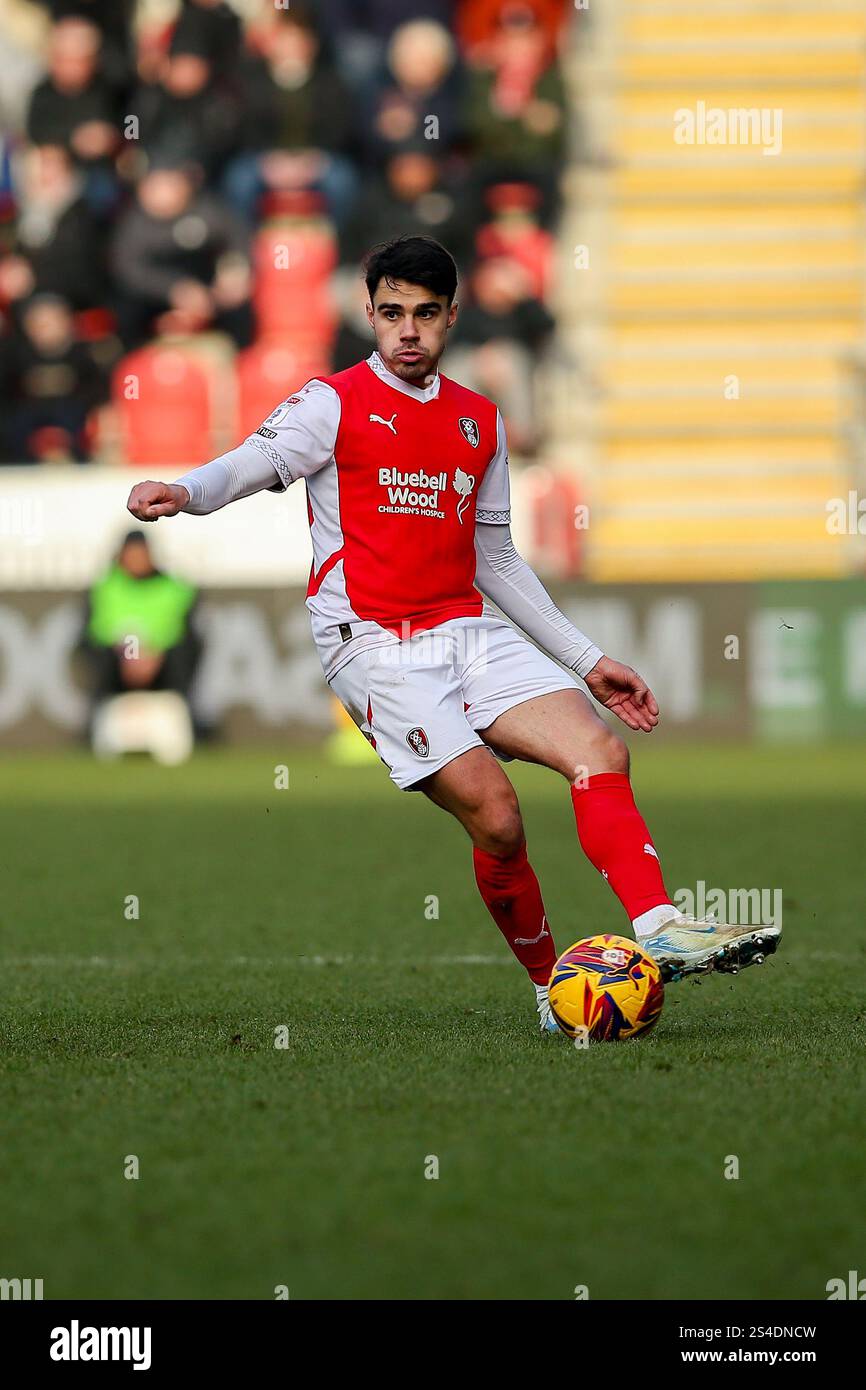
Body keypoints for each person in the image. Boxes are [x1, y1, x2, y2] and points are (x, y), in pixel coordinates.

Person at [126, 235, 780, 1030]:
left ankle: (659, 926)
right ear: (368, 313)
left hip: (466, 625)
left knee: (600, 749)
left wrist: (587, 659)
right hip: (371, 640)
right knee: (499, 819)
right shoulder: (331, 404)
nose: (408, 331)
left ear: (451, 317)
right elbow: (249, 465)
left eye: (426, 315)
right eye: (393, 313)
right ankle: (550, 991)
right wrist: (184, 491)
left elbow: (495, 557)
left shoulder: (480, 422)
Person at [80, 529, 201, 707]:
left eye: (141, 554)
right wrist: (130, 657)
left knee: (183, 653)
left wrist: (154, 656)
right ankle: (98, 716)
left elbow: (181, 632)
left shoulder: (175, 588)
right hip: (118, 662)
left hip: (162, 661)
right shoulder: (104, 587)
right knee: (98, 654)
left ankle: (185, 711)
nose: (136, 560)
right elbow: (97, 630)